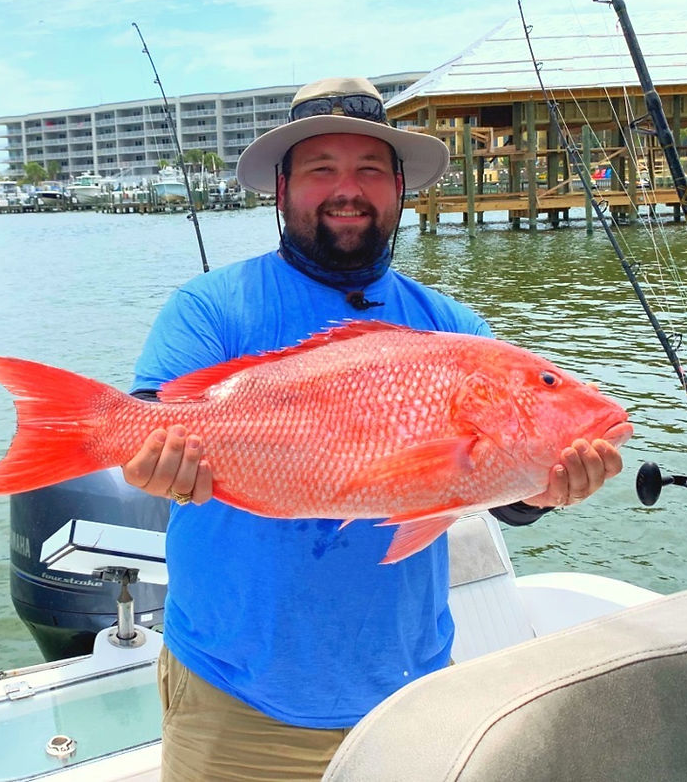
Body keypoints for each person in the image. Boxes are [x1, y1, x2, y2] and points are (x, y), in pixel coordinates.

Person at [122, 76, 623, 781]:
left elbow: (490, 489)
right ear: (281, 189)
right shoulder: (211, 308)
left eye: (367, 170)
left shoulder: (455, 328)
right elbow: (148, 426)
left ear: (398, 189)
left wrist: (542, 489)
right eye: (321, 169)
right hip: (233, 699)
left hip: (411, 696)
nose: (345, 189)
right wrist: (146, 460)